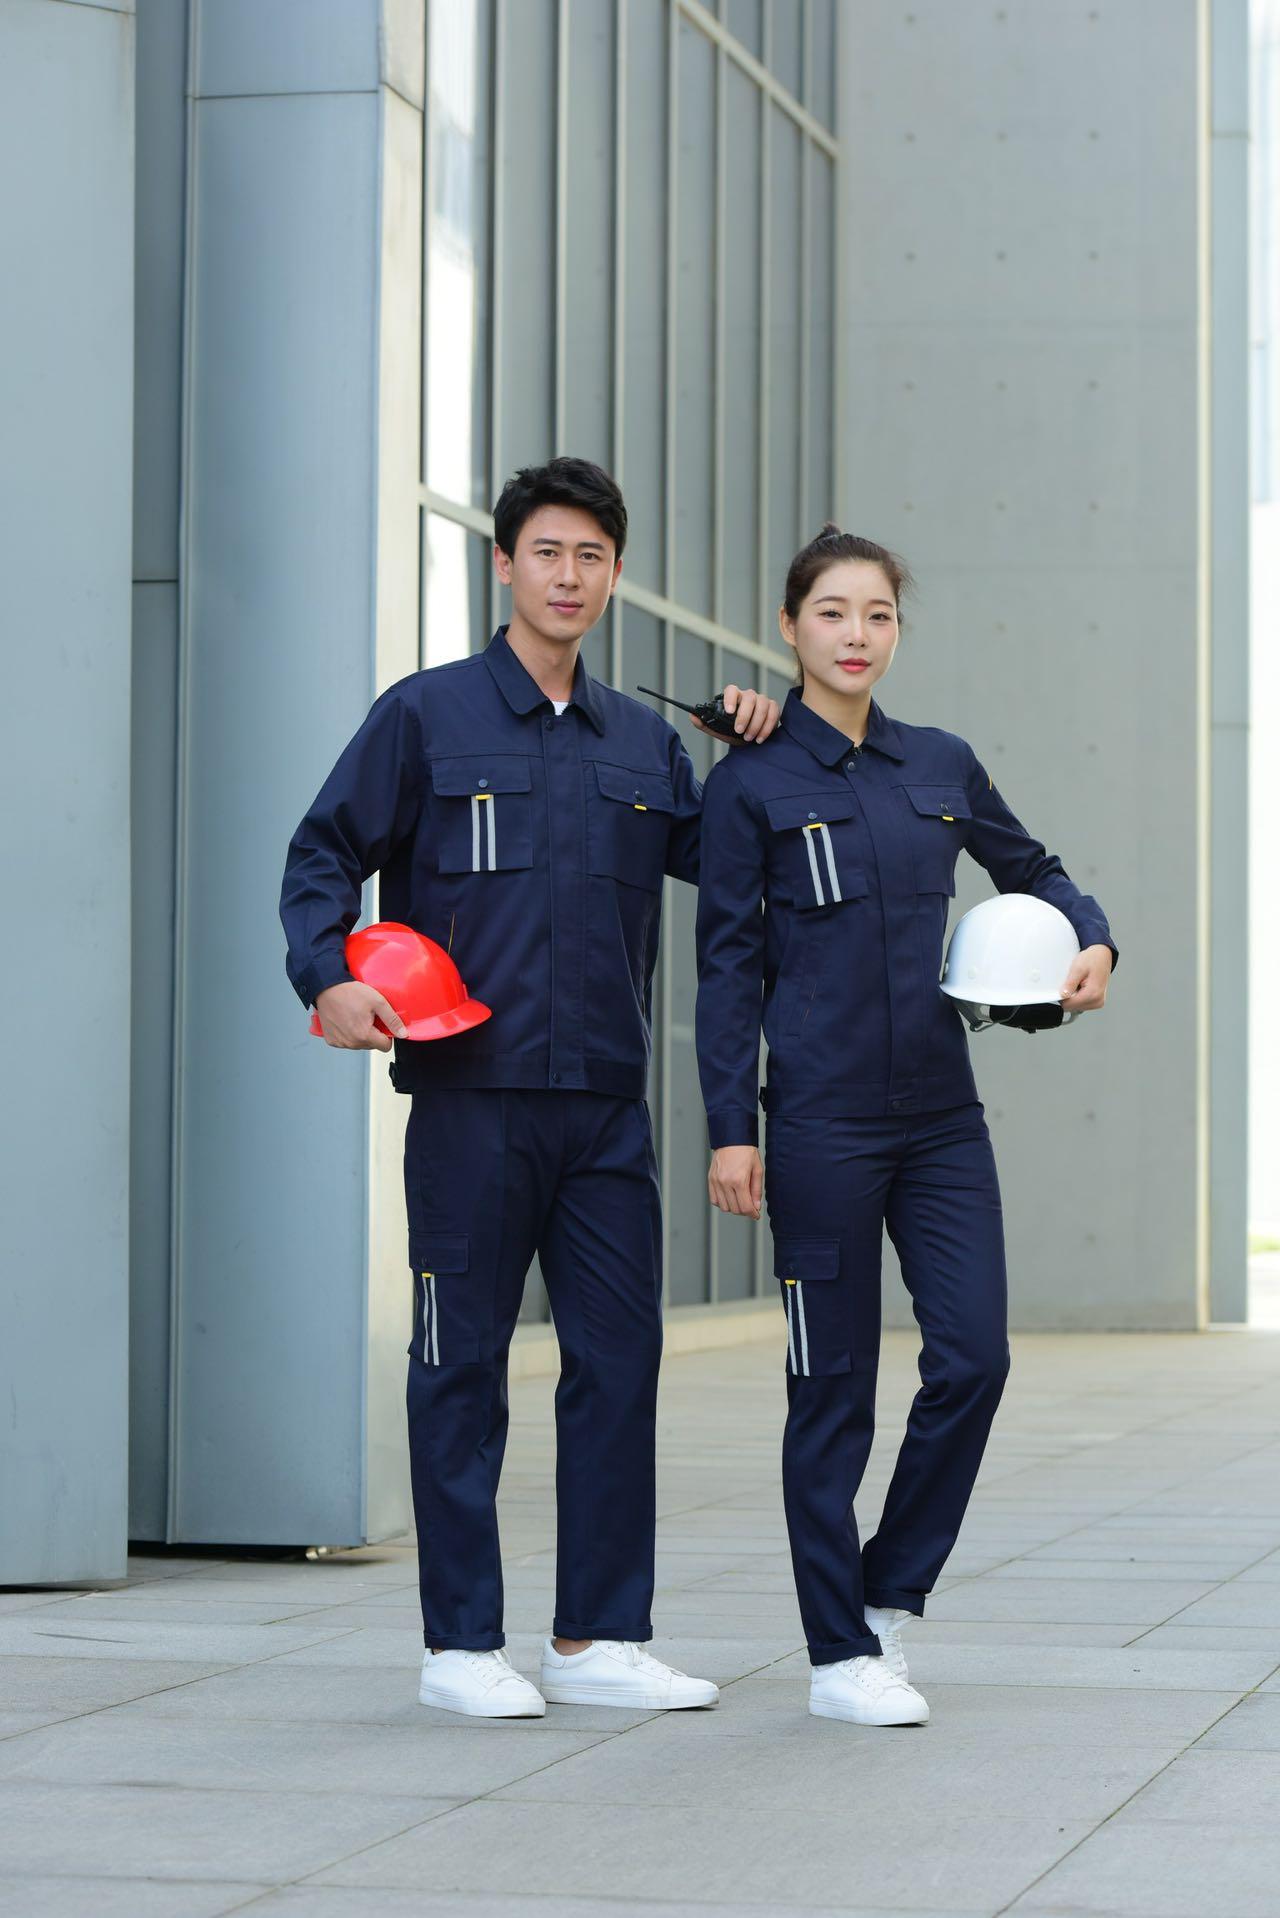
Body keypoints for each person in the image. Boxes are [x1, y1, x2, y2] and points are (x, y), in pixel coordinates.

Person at [280, 457, 781, 1719]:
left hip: (605, 1107)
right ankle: (460, 1646)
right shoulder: (426, 717)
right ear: (503, 563)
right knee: (458, 1366)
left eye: (590, 556)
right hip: (471, 1098)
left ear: (614, 575)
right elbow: (323, 851)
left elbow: (733, 866)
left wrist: (753, 761)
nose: (568, 576)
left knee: (617, 1364)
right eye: (546, 552)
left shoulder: (644, 742)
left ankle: (595, 1637)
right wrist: (324, 975)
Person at [694, 524, 1117, 1727]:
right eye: (831, 612)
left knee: (973, 1358)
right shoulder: (747, 784)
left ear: (894, 631)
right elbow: (724, 970)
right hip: (817, 1125)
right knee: (828, 1392)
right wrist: (731, 1128)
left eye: (876, 614)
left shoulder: (939, 763)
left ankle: (884, 1594)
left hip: (939, 1120)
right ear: (789, 628)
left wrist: (1091, 937)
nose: (855, 634)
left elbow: (1033, 867)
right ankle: (837, 1657)